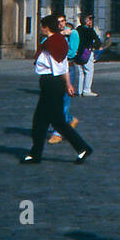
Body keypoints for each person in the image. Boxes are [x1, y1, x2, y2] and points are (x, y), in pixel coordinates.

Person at [23, 14, 93, 164]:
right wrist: (67, 84)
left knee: (56, 122)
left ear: (46, 27)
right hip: (53, 83)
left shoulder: (52, 43)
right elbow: (64, 65)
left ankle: (83, 148)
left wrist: (65, 84)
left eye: (42, 26)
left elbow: (58, 67)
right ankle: (35, 154)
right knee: (42, 122)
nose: (40, 29)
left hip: (51, 83)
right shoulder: (58, 40)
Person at [45, 13, 81, 144]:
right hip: (53, 71)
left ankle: (58, 132)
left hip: (68, 69)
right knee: (53, 102)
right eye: (59, 21)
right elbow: (44, 45)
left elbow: (71, 53)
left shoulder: (73, 34)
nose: (61, 24)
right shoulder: (54, 34)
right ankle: (70, 120)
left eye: (63, 21)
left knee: (63, 101)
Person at [73, 13, 101, 97]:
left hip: (78, 53)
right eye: (90, 19)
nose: (91, 21)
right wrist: (93, 47)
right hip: (87, 52)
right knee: (89, 71)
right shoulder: (90, 30)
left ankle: (79, 90)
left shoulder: (78, 29)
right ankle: (87, 90)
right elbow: (98, 41)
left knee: (81, 72)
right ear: (87, 21)